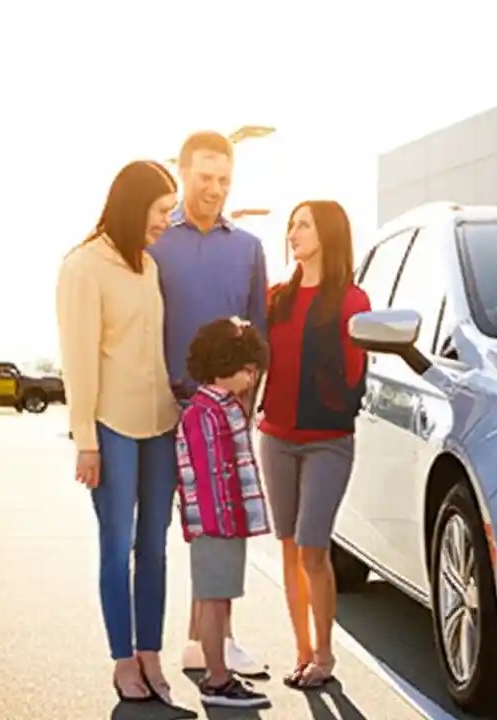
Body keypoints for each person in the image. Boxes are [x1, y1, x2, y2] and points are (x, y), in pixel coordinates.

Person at [55, 160, 181, 704]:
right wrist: (85, 438)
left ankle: (151, 651)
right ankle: (122, 658)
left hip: (159, 423)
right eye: (160, 211)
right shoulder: (83, 266)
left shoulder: (147, 267)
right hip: (110, 427)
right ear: (135, 205)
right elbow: (78, 360)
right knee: (117, 545)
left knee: (154, 546)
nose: (166, 222)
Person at [148, 130, 270, 677]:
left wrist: (246, 405)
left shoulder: (247, 248)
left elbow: (258, 337)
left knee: (219, 531)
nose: (215, 189)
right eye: (204, 178)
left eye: (224, 180)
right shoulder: (153, 243)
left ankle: (210, 643)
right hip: (158, 407)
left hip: (221, 416)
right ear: (181, 173)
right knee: (154, 533)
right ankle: (146, 648)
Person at [258, 200, 370, 689]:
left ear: (327, 232)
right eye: (291, 224)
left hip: (327, 442)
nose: (293, 231)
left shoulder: (351, 300)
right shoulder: (275, 297)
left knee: (311, 546)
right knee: (287, 546)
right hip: (276, 438)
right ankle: (302, 652)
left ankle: (325, 656)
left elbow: (356, 374)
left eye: (303, 224)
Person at [176, 317, 272, 708]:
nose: (252, 377)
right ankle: (217, 679)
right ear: (224, 364)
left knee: (222, 598)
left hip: (228, 524)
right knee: (214, 599)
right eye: (247, 369)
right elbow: (211, 475)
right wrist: (224, 524)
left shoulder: (226, 407)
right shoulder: (204, 414)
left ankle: (220, 673)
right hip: (216, 525)